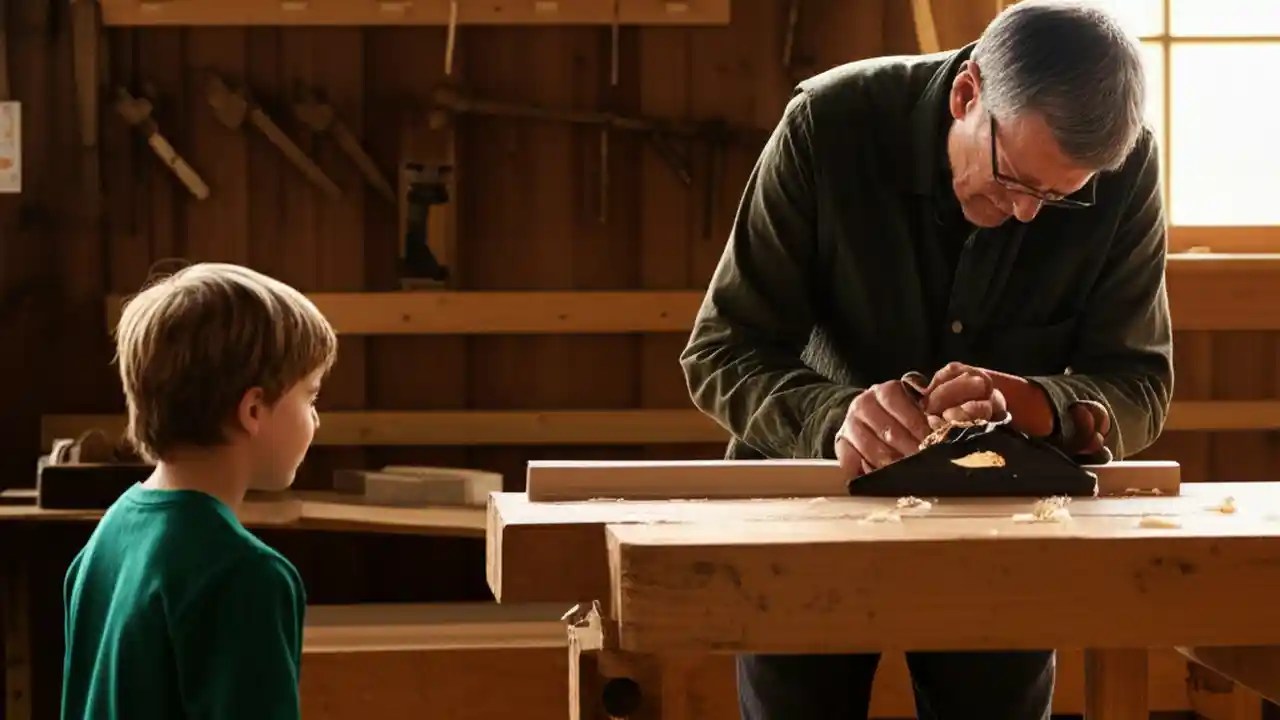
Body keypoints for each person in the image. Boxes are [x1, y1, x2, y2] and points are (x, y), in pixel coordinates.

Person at [679, 1, 1172, 718]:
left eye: (1057, 199)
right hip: (812, 512)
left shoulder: (1121, 173)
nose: (1029, 214)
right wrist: (836, 415)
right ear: (967, 93)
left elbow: (1140, 383)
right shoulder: (830, 125)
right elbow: (722, 350)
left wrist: (1029, 404)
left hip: (1005, 525)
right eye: (1016, 180)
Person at [61, 262, 338, 719]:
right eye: (310, 396)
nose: (316, 419)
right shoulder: (246, 577)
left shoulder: (110, 537)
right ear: (253, 409)